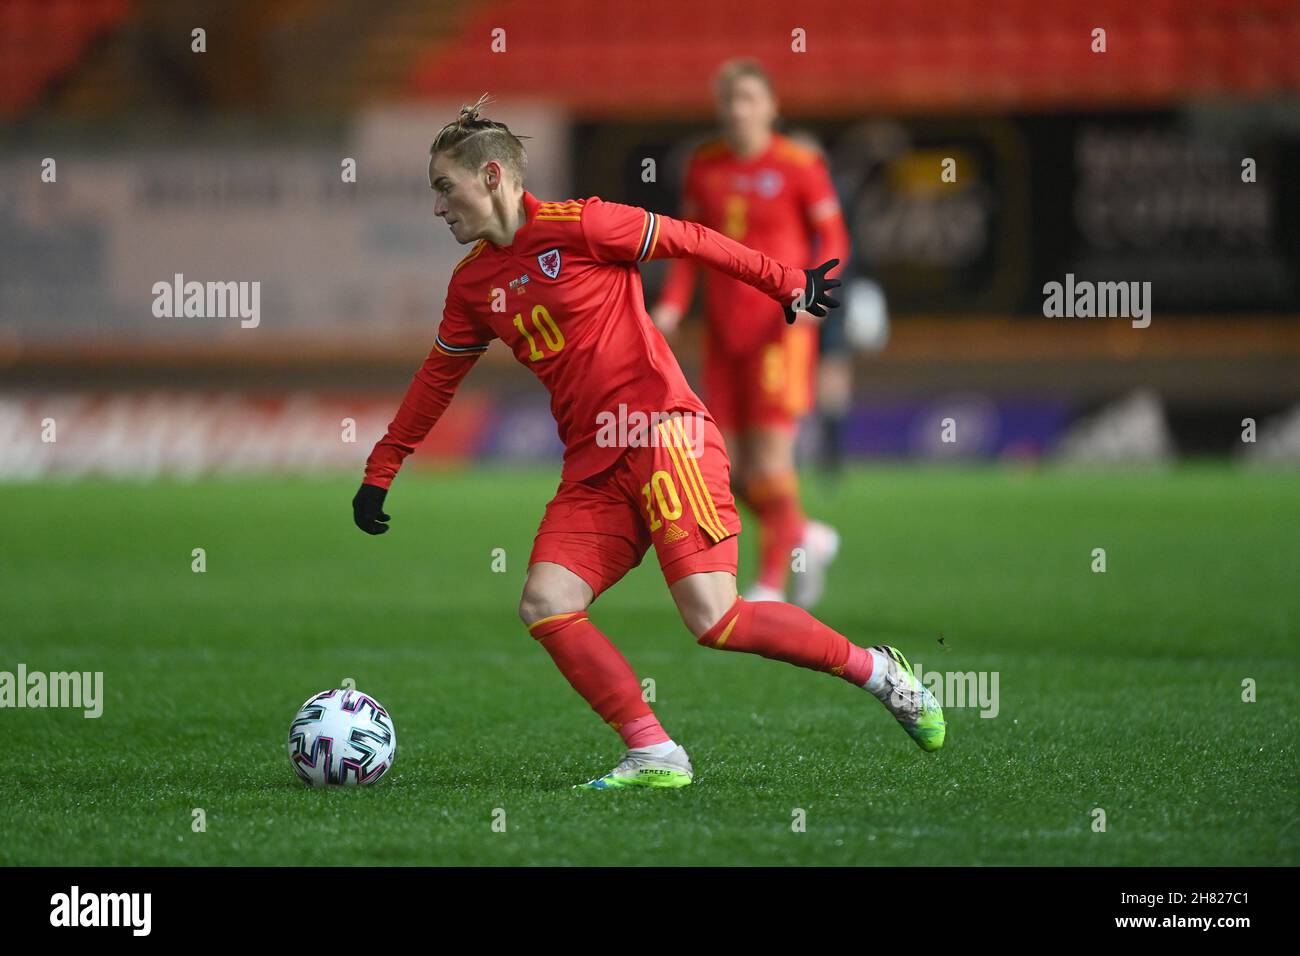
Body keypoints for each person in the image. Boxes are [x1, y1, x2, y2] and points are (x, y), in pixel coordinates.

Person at [352, 94, 944, 790]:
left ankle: (880, 672)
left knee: (714, 618)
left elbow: (692, 239)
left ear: (490, 177)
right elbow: (437, 379)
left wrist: (786, 284)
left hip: (666, 435)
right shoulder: (473, 285)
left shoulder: (585, 224)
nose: (437, 207)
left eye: (443, 188)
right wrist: (382, 467)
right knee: (546, 602)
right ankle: (654, 752)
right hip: (594, 467)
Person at [651, 59, 850, 608]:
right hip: (723, 333)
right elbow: (688, 246)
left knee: (770, 461)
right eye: (730, 100)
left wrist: (814, 291)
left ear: (771, 107)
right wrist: (670, 306)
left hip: (778, 331)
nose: (739, 110)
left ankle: (768, 585)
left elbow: (832, 234)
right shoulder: (703, 166)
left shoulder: (799, 165)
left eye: (749, 99)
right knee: (732, 470)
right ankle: (807, 535)